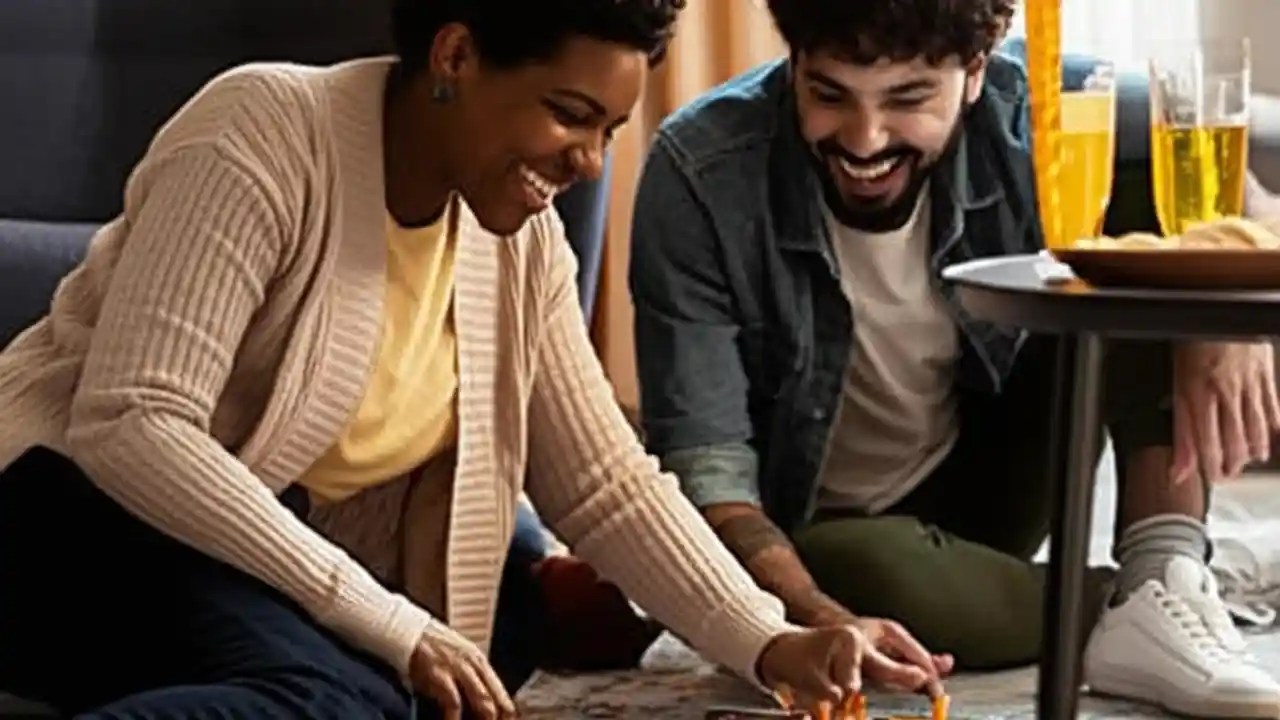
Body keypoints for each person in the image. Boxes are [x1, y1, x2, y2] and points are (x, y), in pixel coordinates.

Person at [0, 1, 930, 717]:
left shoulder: (516, 241)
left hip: (231, 548)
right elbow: (134, 422)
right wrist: (390, 624)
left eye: (608, 130)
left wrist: (772, 639)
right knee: (356, 696)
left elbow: (606, 482)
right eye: (571, 116)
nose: (592, 163)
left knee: (454, 660)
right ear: (455, 57)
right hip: (63, 510)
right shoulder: (263, 133)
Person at [628, 0, 1280, 717]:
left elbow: (1232, 170)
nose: (864, 140)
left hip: (989, 472)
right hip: (826, 533)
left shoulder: (1037, 104)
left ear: (975, 72)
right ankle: (1142, 595)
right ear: (794, 65)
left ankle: (1165, 568)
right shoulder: (702, 170)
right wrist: (819, 617)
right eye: (828, 94)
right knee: (865, 574)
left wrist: (1225, 283)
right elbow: (706, 470)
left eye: (907, 99)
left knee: (1139, 182)